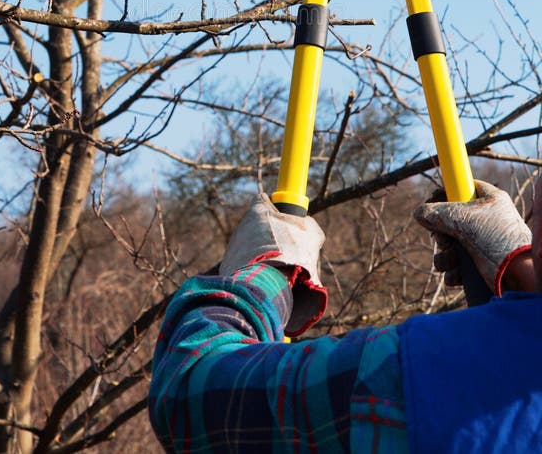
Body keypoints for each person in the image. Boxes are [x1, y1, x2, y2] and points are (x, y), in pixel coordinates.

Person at [149, 178, 541, 452]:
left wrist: (268, 272)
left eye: (535, 210)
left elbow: (190, 394)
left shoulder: (430, 374)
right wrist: (525, 277)